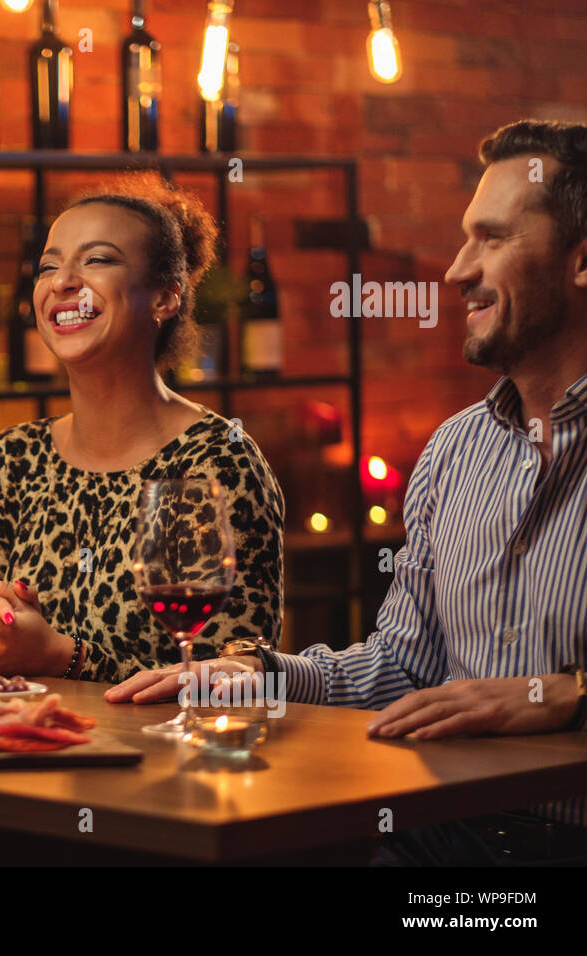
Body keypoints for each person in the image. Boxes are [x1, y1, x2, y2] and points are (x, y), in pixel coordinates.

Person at [107, 120, 587, 865]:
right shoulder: (454, 453)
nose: (458, 270)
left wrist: (567, 694)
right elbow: (402, 666)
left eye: (492, 239)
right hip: (441, 841)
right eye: (465, 239)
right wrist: (262, 672)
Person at [0, 176, 285, 684]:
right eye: (48, 266)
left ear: (165, 298)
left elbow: (229, 679)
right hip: (20, 749)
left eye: (96, 260)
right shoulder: (8, 462)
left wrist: (62, 656)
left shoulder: (217, 461)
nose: (62, 282)